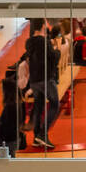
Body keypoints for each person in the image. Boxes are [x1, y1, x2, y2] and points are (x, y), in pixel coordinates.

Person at [24, 18, 59, 149]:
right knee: (55, 104)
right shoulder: (44, 41)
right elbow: (53, 57)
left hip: (34, 80)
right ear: (43, 26)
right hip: (46, 78)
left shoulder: (29, 42)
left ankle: (36, 138)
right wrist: (57, 50)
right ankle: (43, 134)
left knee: (38, 107)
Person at [0, 74, 27, 172]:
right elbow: (13, 122)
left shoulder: (10, 106)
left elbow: (7, 125)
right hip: (14, 139)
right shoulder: (19, 103)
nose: (1, 92)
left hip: (7, 142)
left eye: (2, 90)